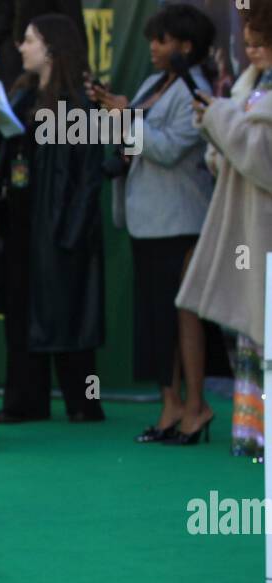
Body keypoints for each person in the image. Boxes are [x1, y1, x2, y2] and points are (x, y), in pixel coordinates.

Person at [88, 3, 217, 445]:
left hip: (180, 219)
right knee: (157, 319)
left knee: (183, 316)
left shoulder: (195, 89)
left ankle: (195, 407)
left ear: (186, 45)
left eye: (161, 40)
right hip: (146, 218)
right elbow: (131, 139)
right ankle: (172, 406)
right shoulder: (151, 83)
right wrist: (115, 115)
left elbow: (169, 149)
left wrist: (127, 117)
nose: (153, 48)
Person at [0, 14, 105, 423]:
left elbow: (91, 173)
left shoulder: (79, 101)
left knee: (68, 306)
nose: (21, 48)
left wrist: (72, 231)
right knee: (23, 307)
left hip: (59, 225)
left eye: (29, 40)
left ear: (52, 47)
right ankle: (26, 399)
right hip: (22, 220)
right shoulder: (23, 97)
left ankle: (82, 400)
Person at [176, 0, 272, 464]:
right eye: (248, 41)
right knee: (255, 335)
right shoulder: (252, 88)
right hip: (252, 233)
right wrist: (217, 131)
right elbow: (241, 155)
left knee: (265, 328)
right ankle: (256, 436)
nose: (251, 50)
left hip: (264, 234)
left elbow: (263, 158)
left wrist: (220, 121)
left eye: (260, 42)